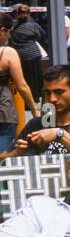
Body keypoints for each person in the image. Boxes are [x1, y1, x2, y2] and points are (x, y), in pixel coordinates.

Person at [2, 64, 70, 159]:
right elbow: (3, 158)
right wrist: (16, 154)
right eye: (48, 93)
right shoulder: (36, 124)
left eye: (59, 92)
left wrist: (60, 135)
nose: (52, 99)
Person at [0, 13, 36, 152]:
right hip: (3, 113)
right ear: (3, 30)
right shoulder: (7, 53)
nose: (9, 37)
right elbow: (22, 86)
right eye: (9, 32)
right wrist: (34, 110)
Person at [10, 3, 47, 103]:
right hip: (32, 54)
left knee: (22, 79)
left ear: (17, 13)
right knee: (34, 79)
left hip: (18, 55)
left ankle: (23, 100)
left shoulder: (12, 25)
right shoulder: (33, 25)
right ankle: (34, 98)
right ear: (29, 13)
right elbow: (42, 35)